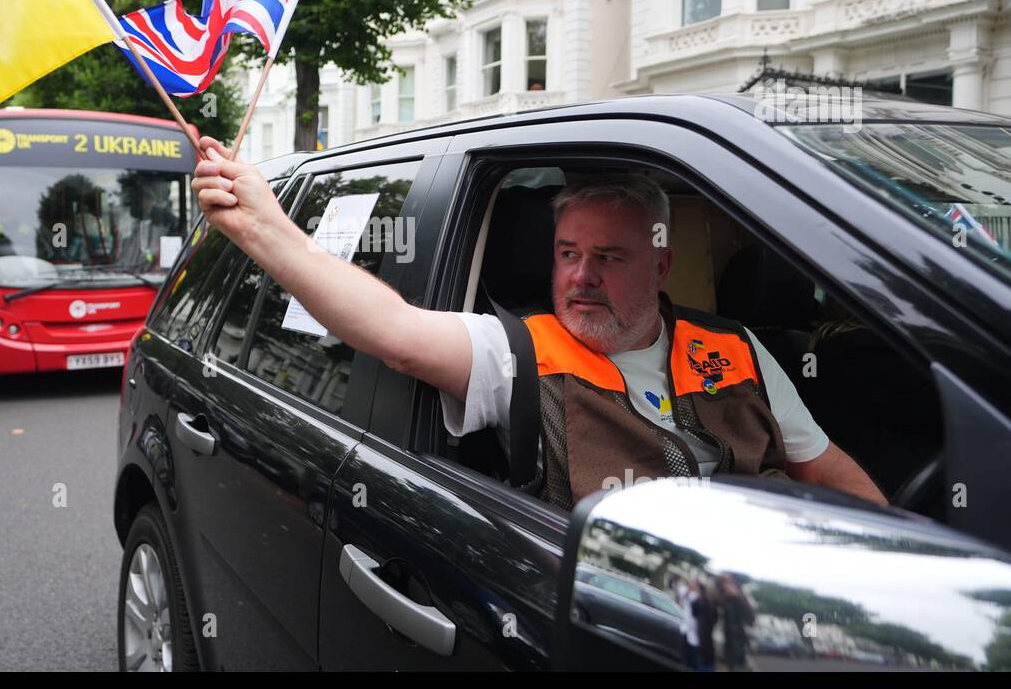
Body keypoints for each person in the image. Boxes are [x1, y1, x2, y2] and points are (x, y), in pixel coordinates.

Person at [190, 136, 887, 511]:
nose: (581, 277)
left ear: (661, 263)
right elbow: (393, 333)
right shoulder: (520, 351)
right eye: (567, 254)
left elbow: (829, 474)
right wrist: (264, 229)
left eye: (609, 257)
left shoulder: (734, 348)